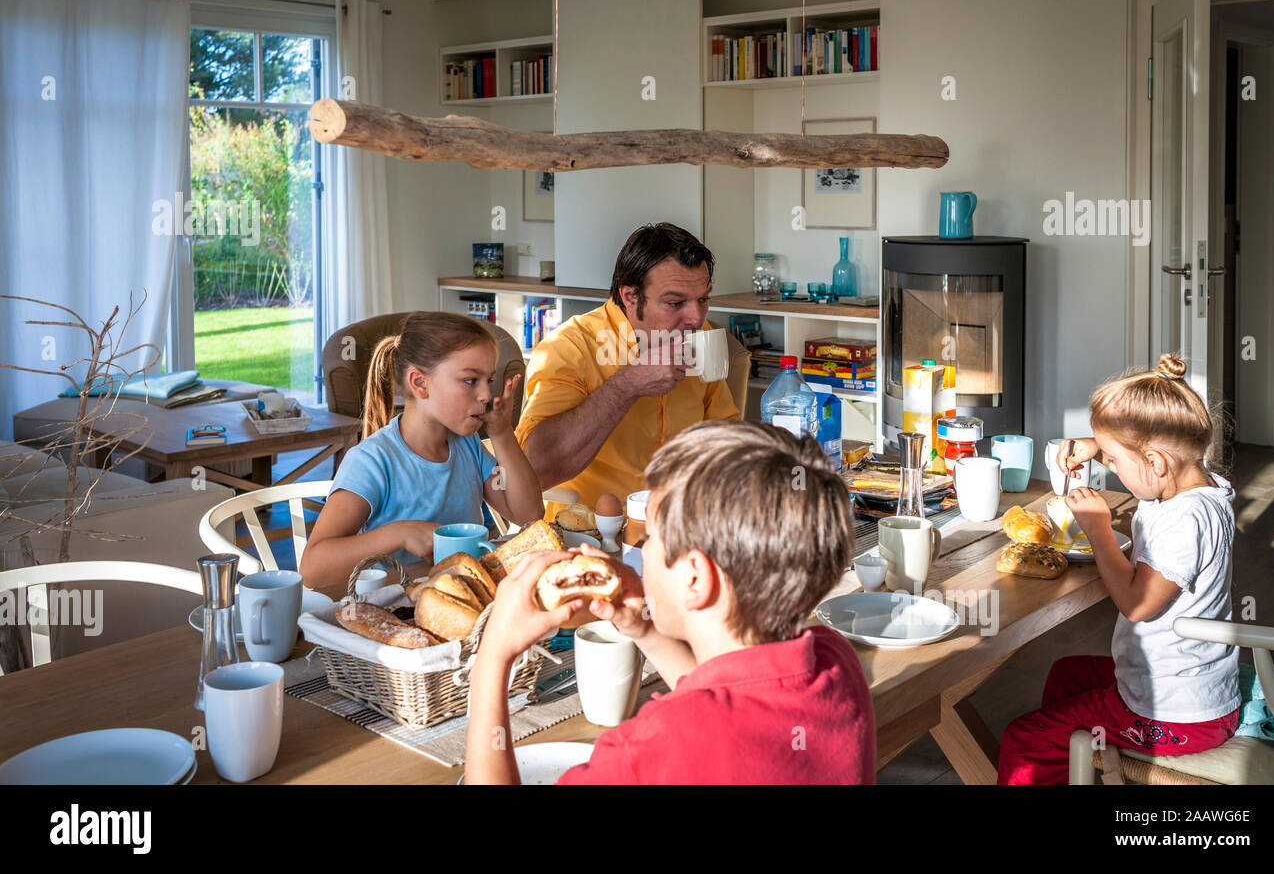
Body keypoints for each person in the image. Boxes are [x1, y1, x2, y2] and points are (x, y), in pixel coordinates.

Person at [464, 420, 876, 784]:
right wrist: (644, 628)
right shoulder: (835, 662)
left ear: (694, 577)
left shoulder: (652, 747)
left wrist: (492, 658)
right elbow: (726, 698)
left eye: (648, 539)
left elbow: (695, 727)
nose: (640, 551)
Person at [998, 354, 1240, 785]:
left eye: (1113, 461)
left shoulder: (1182, 522)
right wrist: (1098, 444)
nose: (1109, 467)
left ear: (1156, 462)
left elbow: (1137, 603)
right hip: (1189, 687)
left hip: (1174, 716)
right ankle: (1073, 772)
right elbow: (1153, 460)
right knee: (1066, 674)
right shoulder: (1200, 488)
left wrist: (1098, 529)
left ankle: (1052, 762)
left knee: (1023, 738)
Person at [299, 313, 543, 589]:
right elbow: (312, 568)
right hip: (397, 608)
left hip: (462, 598)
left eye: (489, 380)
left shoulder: (468, 446)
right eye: (470, 380)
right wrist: (399, 533)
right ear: (420, 383)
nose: (486, 394)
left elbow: (528, 516)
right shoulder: (372, 461)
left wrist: (502, 433)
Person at [516, 223, 740, 512]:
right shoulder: (570, 347)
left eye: (703, 299)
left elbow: (725, 434)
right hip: (590, 533)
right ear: (631, 297)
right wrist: (628, 384)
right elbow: (536, 469)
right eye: (675, 303)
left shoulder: (698, 336)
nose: (696, 318)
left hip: (679, 527)